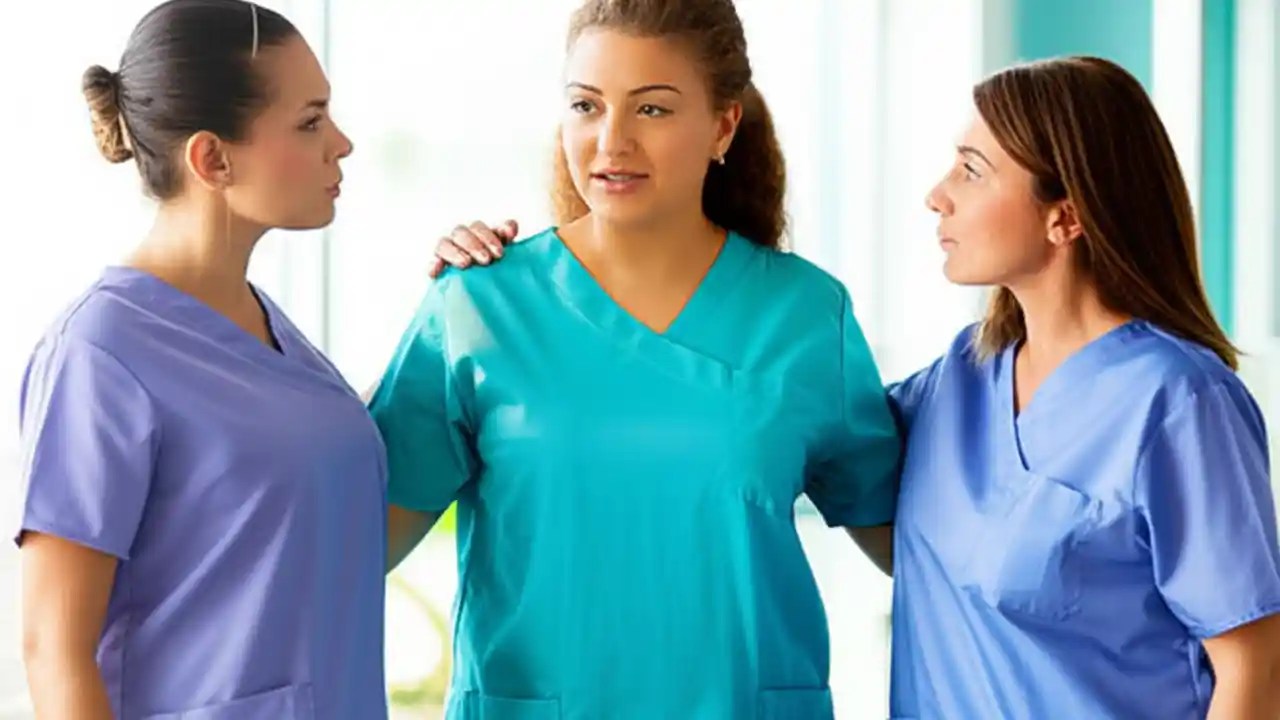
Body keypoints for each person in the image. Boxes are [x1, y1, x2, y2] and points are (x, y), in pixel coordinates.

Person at [430, 56, 1280, 718]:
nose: (936, 196)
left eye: (973, 170)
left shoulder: (1178, 403)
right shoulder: (959, 386)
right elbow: (749, 417)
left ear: (1068, 213)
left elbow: (1253, 663)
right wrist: (509, 278)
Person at [368, 0, 900, 717]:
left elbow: (921, 550)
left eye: (651, 110)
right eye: (586, 106)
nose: (610, 141)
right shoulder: (477, 305)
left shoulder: (807, 316)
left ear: (723, 125)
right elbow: (352, 545)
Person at [16, 2, 384, 718]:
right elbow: (52, 650)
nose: (341, 144)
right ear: (213, 158)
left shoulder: (271, 330)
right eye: (309, 123)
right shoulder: (100, 353)